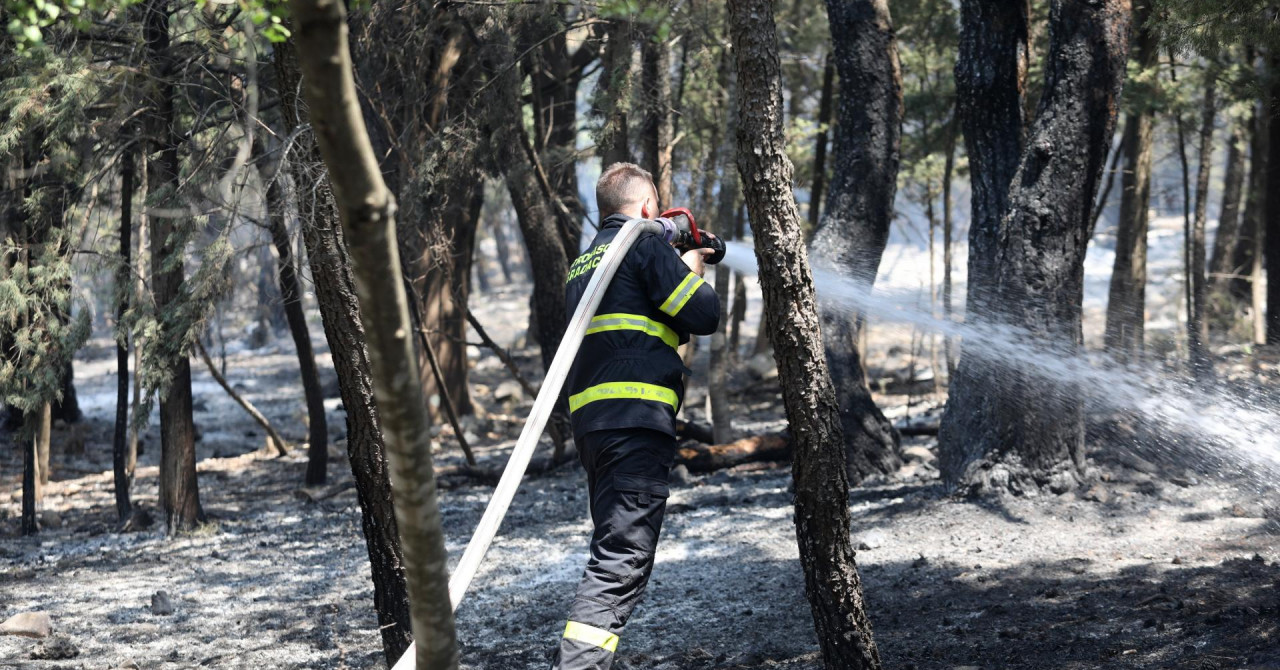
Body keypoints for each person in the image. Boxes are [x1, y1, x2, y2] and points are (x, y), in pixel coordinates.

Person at [552, 163, 720, 670]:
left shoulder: (585, 262)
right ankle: (579, 666)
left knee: (612, 550)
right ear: (649, 208)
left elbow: (643, 320)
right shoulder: (643, 243)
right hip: (636, 421)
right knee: (620, 561)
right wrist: (692, 266)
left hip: (594, 426)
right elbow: (703, 313)